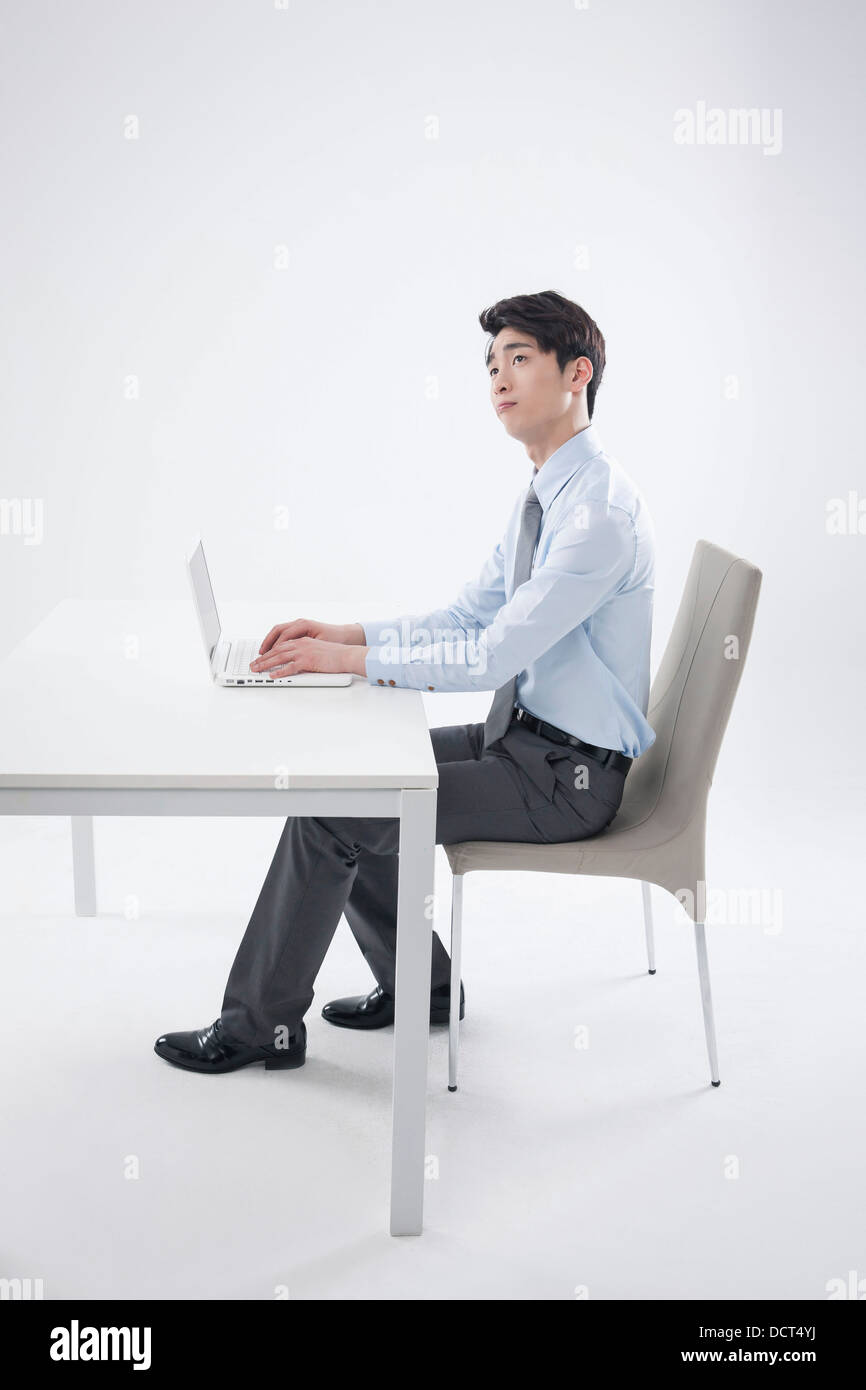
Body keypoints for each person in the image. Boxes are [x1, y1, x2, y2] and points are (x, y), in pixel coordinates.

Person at [154, 288, 656, 1074]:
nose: (498, 377)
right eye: (491, 363)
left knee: (333, 816)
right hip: (521, 745)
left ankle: (260, 1026)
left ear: (578, 373)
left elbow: (489, 659)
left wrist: (347, 664)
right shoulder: (546, 496)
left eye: (519, 358)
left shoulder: (598, 518)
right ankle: (421, 988)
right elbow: (467, 617)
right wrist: (345, 635)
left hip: (568, 781)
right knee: (358, 783)